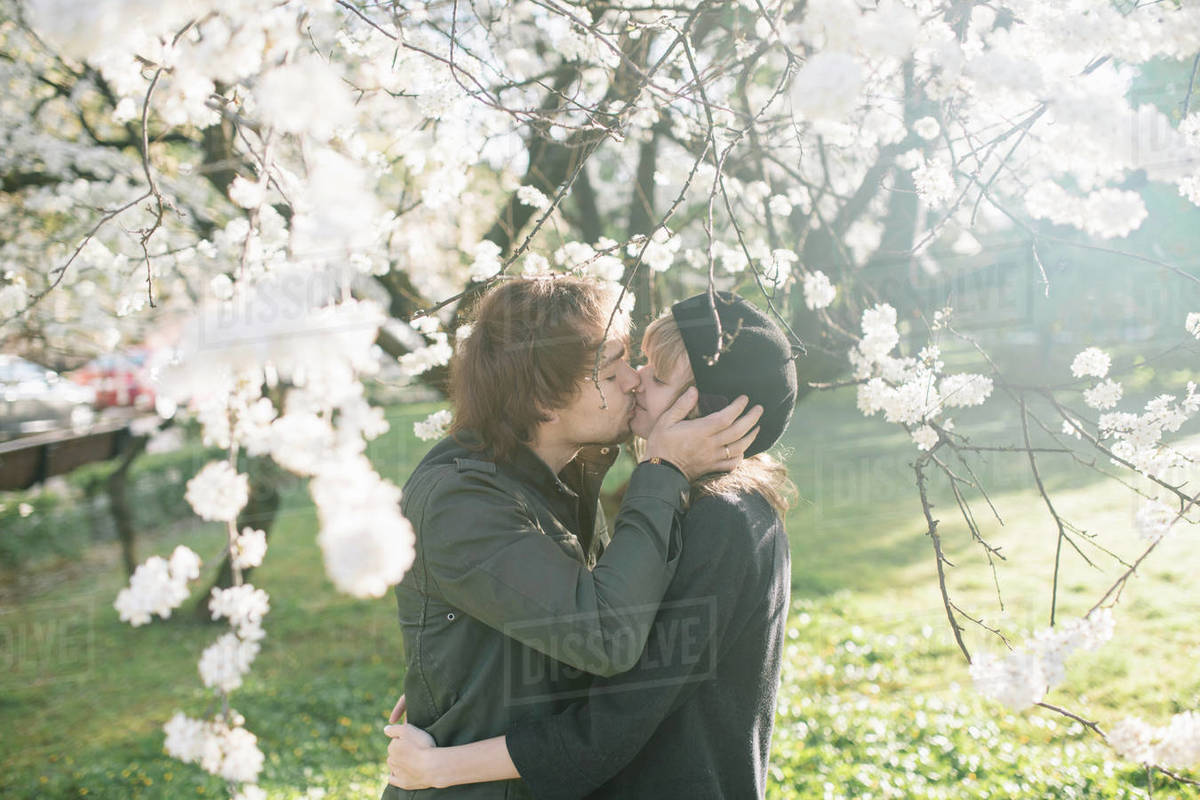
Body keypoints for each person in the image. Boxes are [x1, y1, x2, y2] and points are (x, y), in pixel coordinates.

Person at [384, 290, 798, 799]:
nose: (634, 381)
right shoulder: (478, 496)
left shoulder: (717, 518)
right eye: (613, 370)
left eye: (650, 370)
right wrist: (456, 677)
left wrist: (443, 763)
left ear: (709, 409)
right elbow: (605, 639)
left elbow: (614, 705)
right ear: (541, 398)